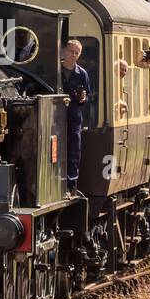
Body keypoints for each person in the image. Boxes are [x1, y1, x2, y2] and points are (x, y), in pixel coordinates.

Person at [61, 40, 91, 193]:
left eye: (76, 53)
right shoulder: (57, 70)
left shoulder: (82, 74)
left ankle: (71, 182)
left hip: (74, 116)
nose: (73, 55)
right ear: (65, 51)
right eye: (71, 51)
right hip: (56, 116)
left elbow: (87, 97)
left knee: (74, 149)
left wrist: (83, 98)